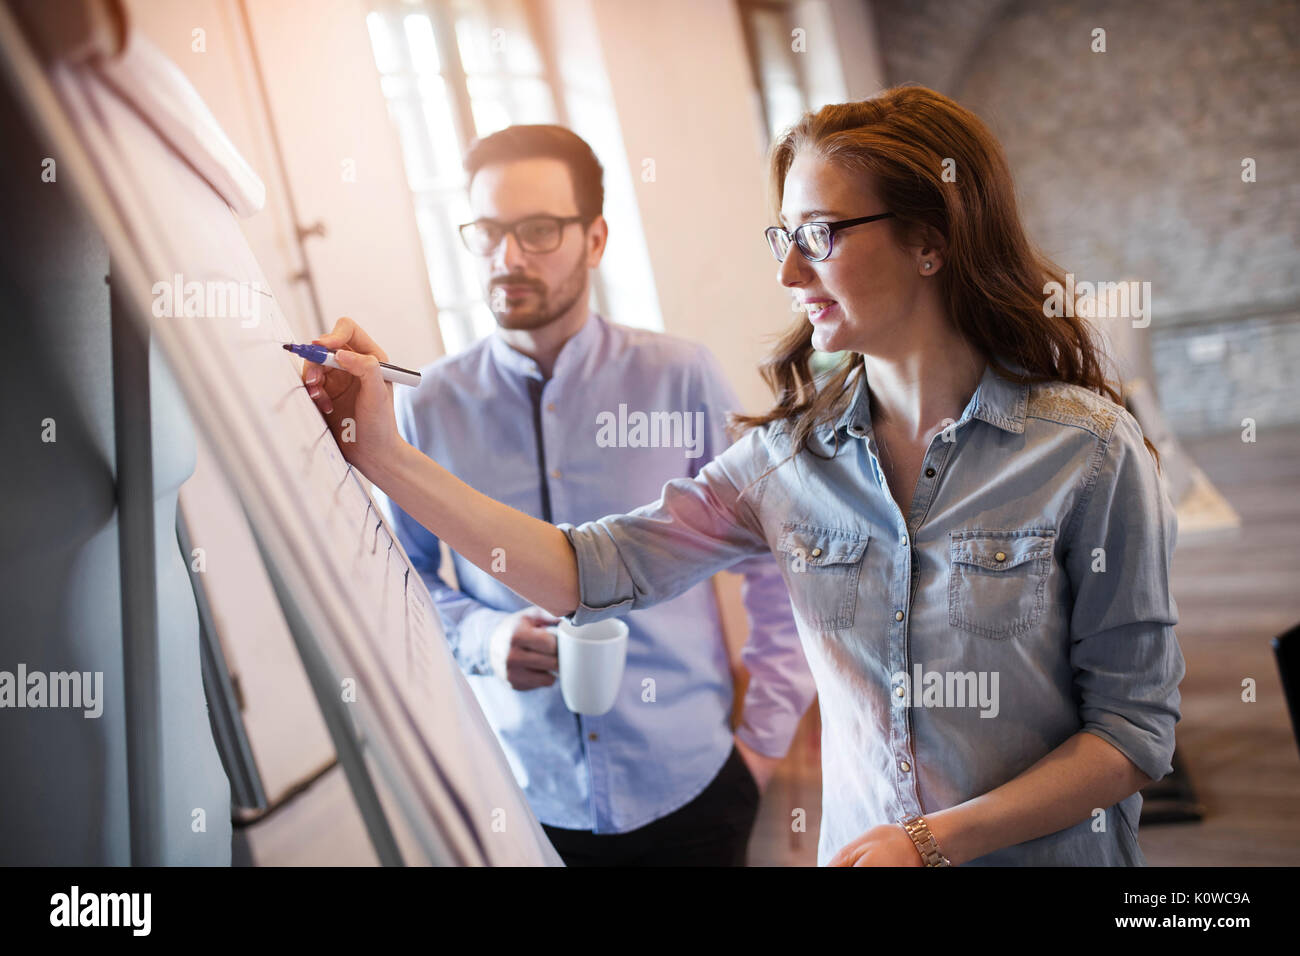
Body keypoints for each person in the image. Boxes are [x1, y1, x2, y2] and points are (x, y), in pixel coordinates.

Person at [301, 85, 1185, 866]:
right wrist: (381, 452)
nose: (788, 270)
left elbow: (1133, 732)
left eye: (819, 234)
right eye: (784, 236)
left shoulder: (1089, 451)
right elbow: (583, 571)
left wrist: (934, 843)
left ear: (931, 241)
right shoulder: (786, 461)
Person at [371, 124, 815, 867]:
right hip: (525, 795)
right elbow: (404, 580)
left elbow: (776, 561)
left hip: (692, 784)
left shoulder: (679, 376)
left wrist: (761, 746)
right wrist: (484, 639)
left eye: (538, 230)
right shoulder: (423, 406)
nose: (506, 258)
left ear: (597, 239)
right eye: (487, 231)